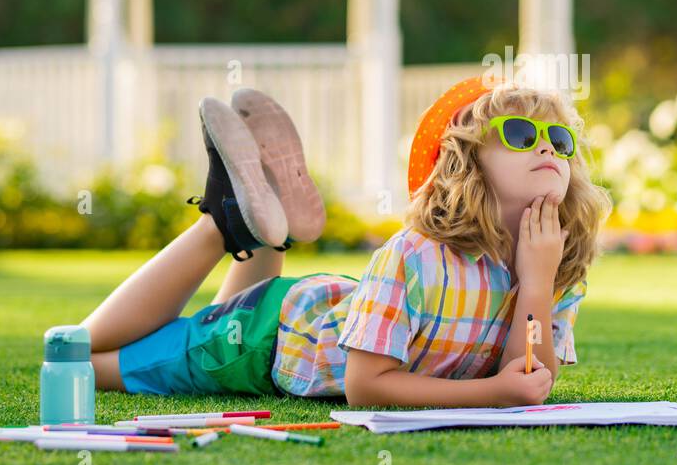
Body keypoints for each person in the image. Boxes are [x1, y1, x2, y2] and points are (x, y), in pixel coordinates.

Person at [80, 77, 613, 408]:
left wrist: (537, 282)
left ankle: (269, 224)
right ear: (466, 162)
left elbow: (530, 380)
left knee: (206, 319)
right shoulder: (416, 256)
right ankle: (222, 223)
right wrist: (488, 396)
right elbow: (367, 387)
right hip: (268, 338)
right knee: (77, 358)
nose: (547, 146)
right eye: (521, 134)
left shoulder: (555, 261)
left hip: (326, 309)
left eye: (559, 139)